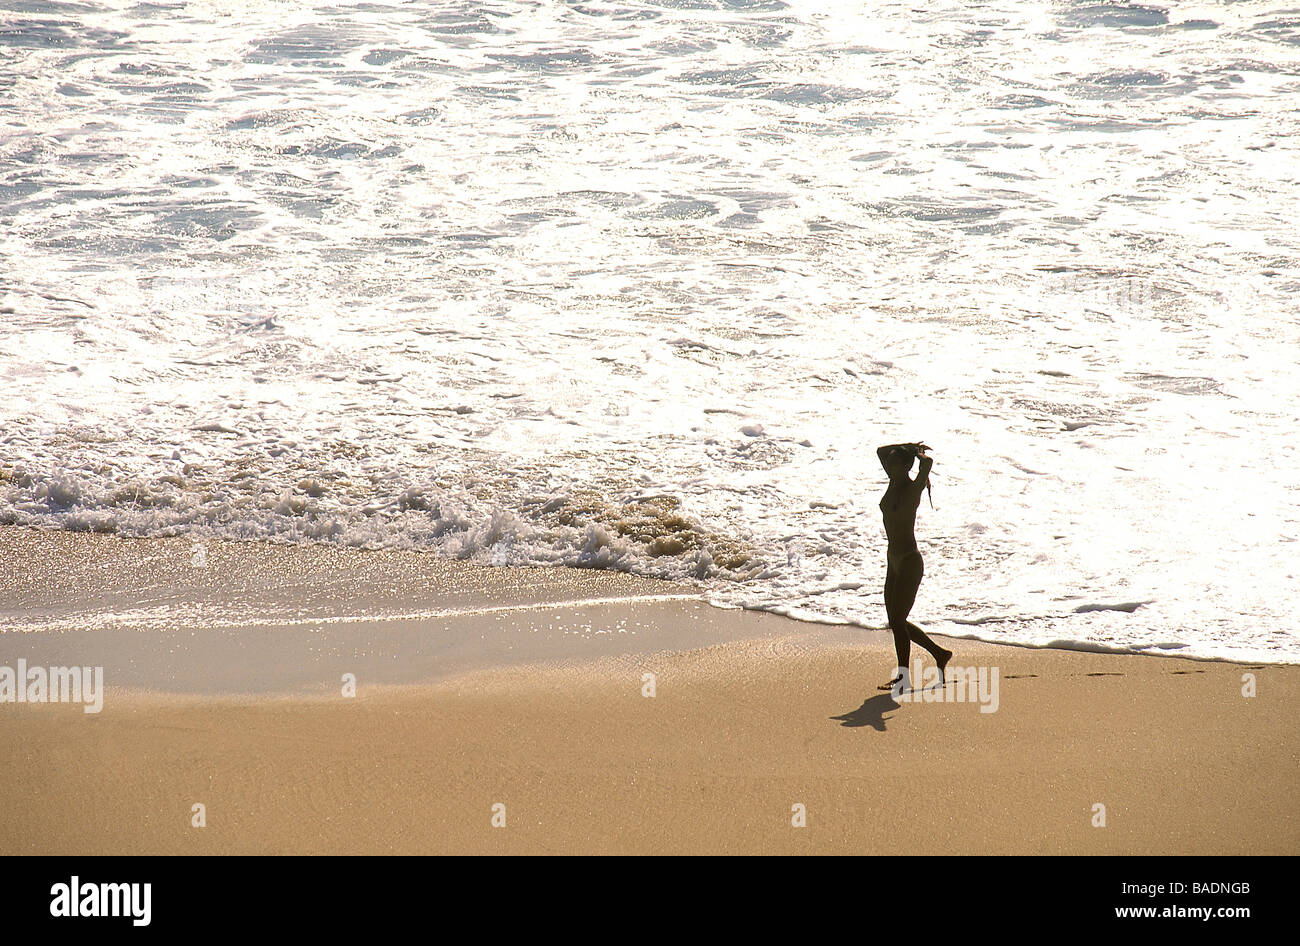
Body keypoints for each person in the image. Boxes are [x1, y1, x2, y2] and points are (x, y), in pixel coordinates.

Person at [876, 441, 951, 692]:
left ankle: (903, 677)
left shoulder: (912, 488)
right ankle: (939, 654)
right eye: (890, 464)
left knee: (898, 620)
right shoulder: (893, 480)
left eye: (895, 464)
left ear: (905, 466)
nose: (889, 466)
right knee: (895, 621)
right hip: (892, 560)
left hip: (909, 561)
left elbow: (927, 464)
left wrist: (916, 455)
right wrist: (907, 446)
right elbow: (880, 451)